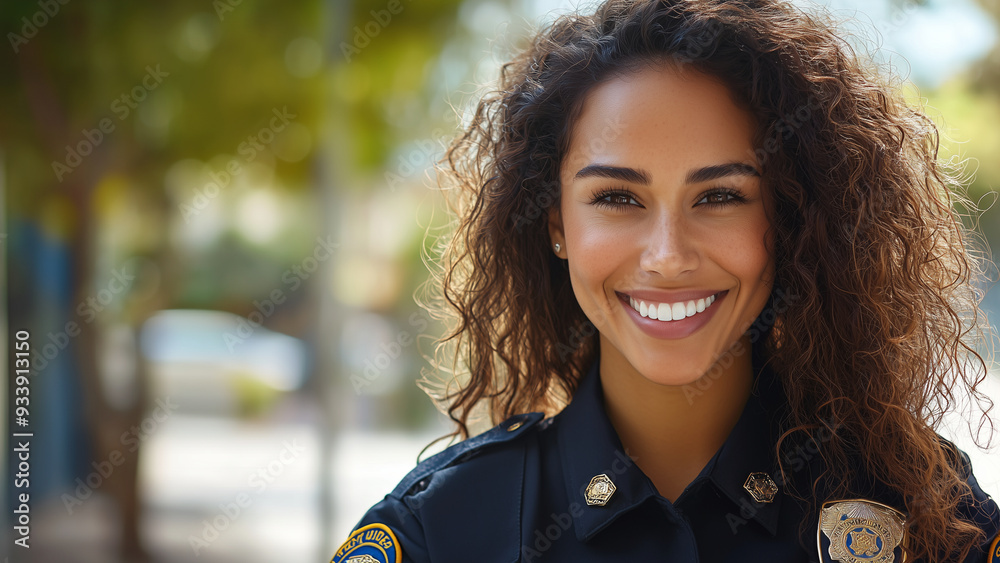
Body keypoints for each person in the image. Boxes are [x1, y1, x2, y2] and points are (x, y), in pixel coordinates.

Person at [330, 0, 1000, 561]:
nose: (668, 255)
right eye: (618, 198)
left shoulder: (926, 514)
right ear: (555, 224)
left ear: (788, 217)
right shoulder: (443, 529)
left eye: (720, 197)